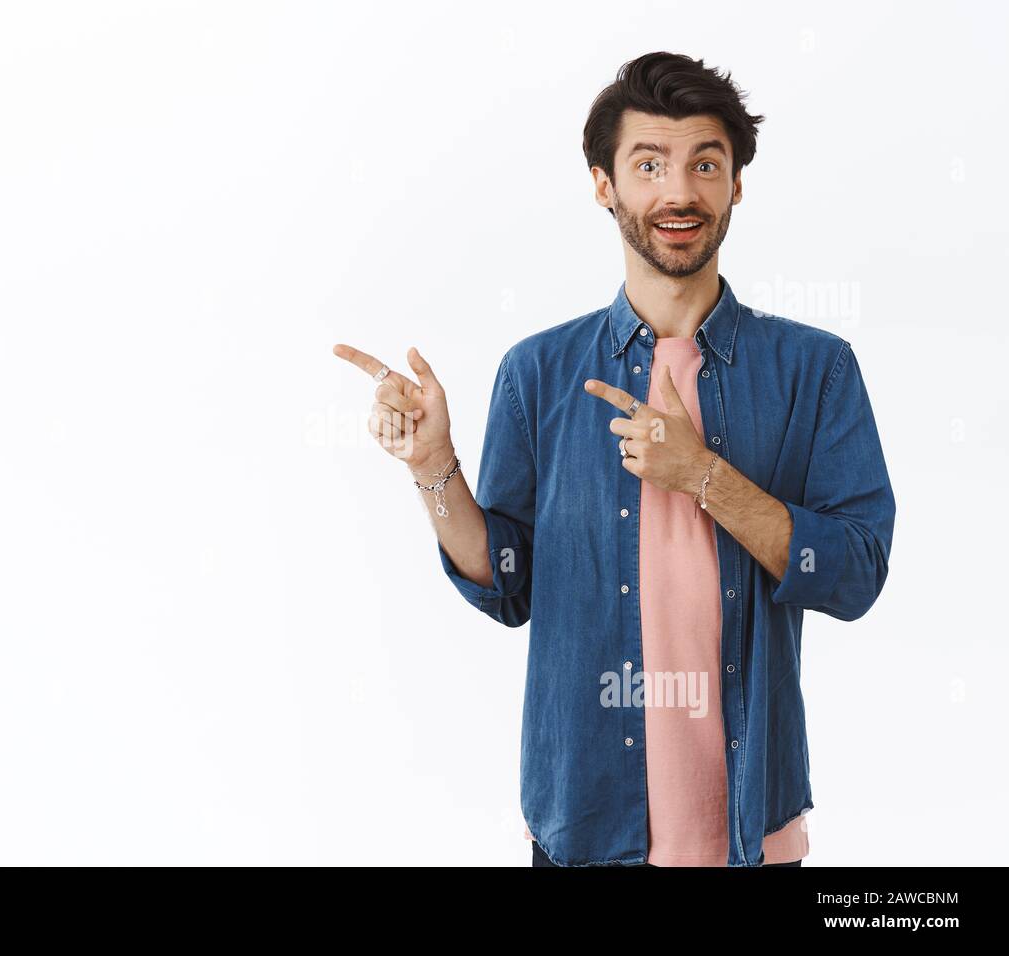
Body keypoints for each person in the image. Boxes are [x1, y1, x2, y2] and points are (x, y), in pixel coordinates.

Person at [332, 51, 895, 866]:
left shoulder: (816, 369)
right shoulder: (539, 373)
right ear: (604, 184)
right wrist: (435, 465)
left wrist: (703, 475)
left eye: (706, 164)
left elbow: (857, 572)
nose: (680, 192)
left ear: (736, 184)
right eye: (648, 164)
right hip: (585, 824)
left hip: (751, 832)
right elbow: (507, 581)